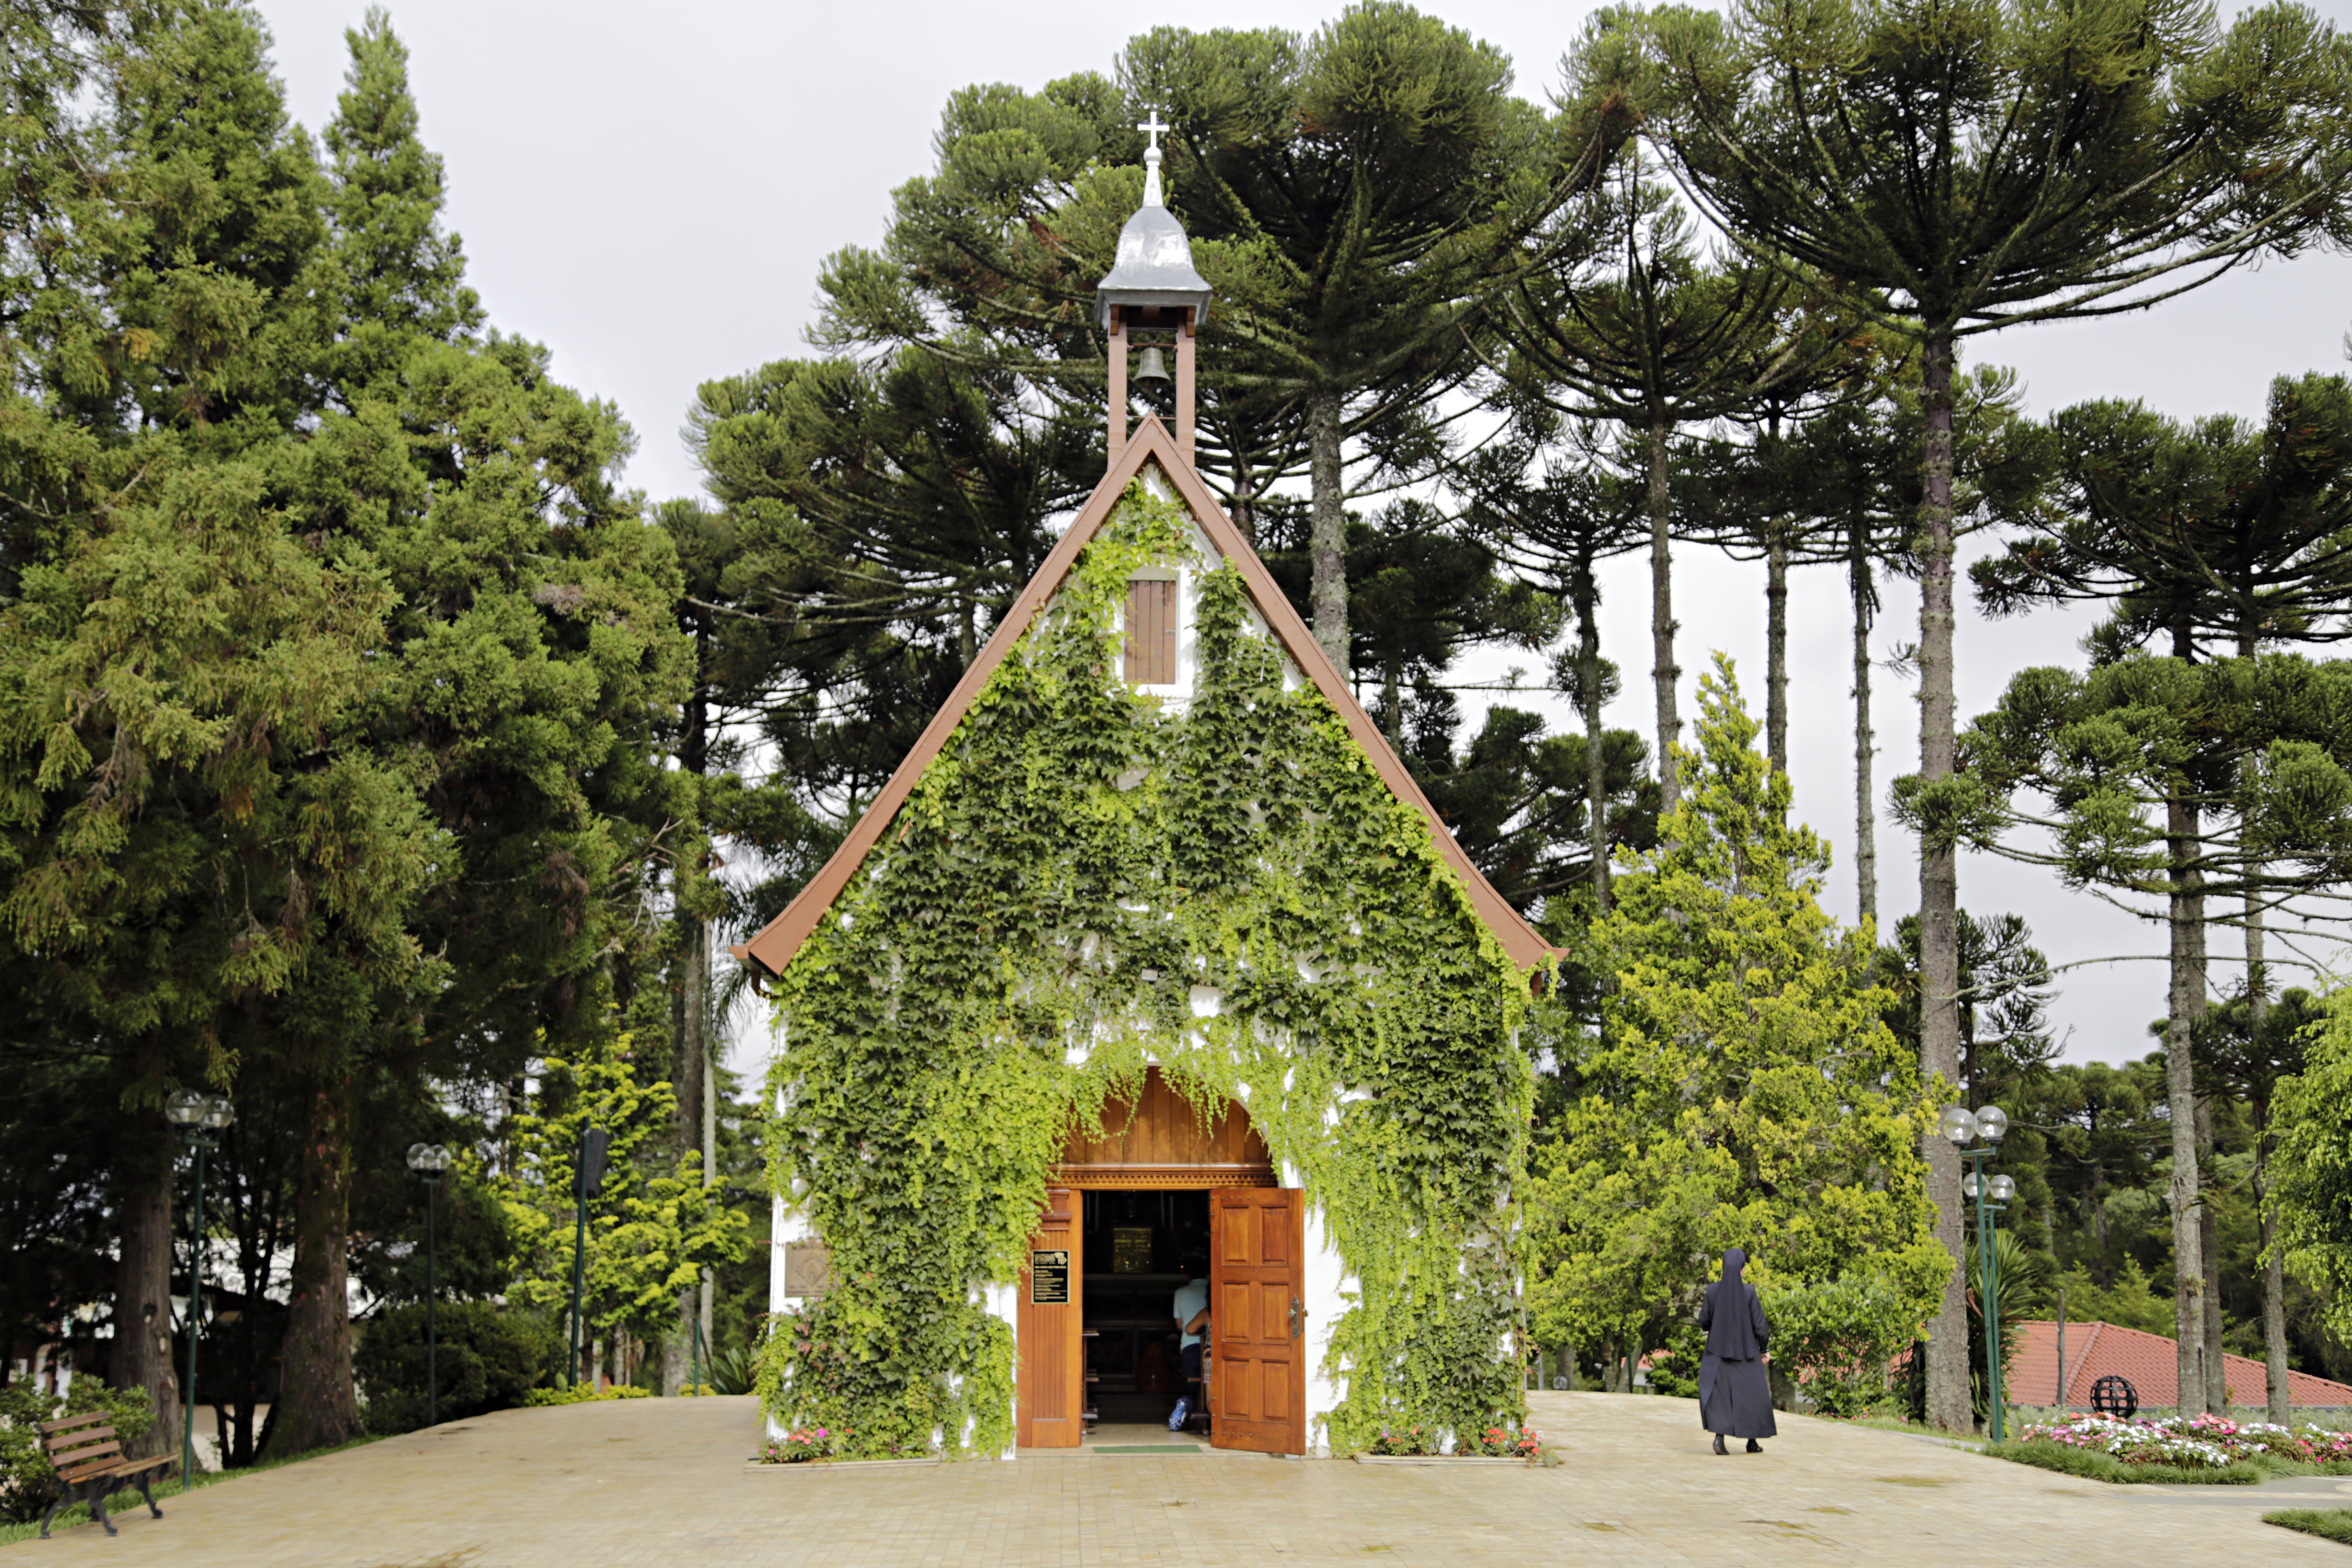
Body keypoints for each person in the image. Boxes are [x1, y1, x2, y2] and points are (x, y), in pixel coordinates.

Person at [1697, 1246, 1776, 1454]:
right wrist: (1764, 1348)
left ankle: (1719, 1439)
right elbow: (1760, 1325)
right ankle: (1751, 1442)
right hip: (1747, 1354)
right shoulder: (1749, 1292)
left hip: (1718, 1353)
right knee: (1753, 1395)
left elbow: (1704, 1321)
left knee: (1721, 1397)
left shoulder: (1713, 1291)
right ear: (1742, 1269)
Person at [1170, 1257, 1210, 1426]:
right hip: (1215, 1347)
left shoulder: (1181, 1293)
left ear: (1188, 1276)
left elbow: (1180, 1326)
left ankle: (1190, 1407)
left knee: (1194, 1381)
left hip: (1190, 1345)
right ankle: (1209, 1419)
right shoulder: (1213, 1291)